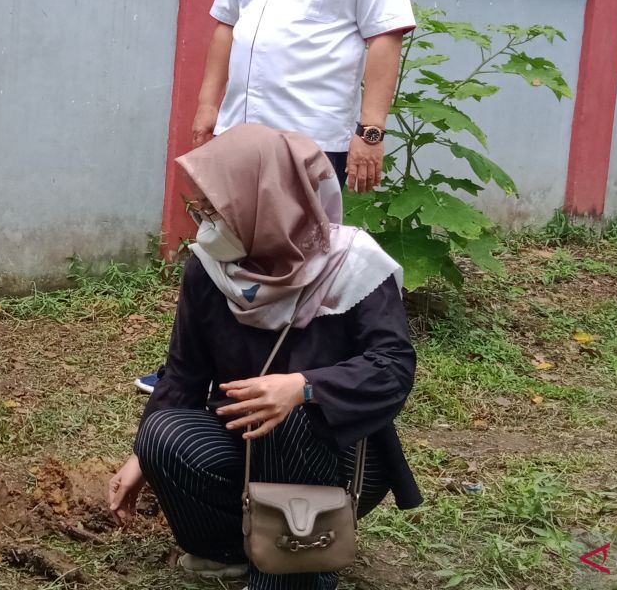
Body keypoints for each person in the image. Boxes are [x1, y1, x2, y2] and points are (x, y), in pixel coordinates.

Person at [135, 0, 415, 394]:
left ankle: (289, 374)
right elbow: (225, 25)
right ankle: (194, 370)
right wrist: (207, 106)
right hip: (243, 141)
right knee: (219, 251)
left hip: (310, 143)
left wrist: (370, 131)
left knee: (305, 261)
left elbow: (384, 37)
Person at [108, 125, 421, 590]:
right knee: (163, 435)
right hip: (246, 446)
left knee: (281, 412)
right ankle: (236, 551)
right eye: (200, 209)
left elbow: (393, 368)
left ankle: (296, 570)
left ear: (264, 201)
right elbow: (184, 373)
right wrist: (142, 457)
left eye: (215, 210)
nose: (204, 223)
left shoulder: (351, 264)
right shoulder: (209, 269)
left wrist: (303, 388)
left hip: (339, 452)